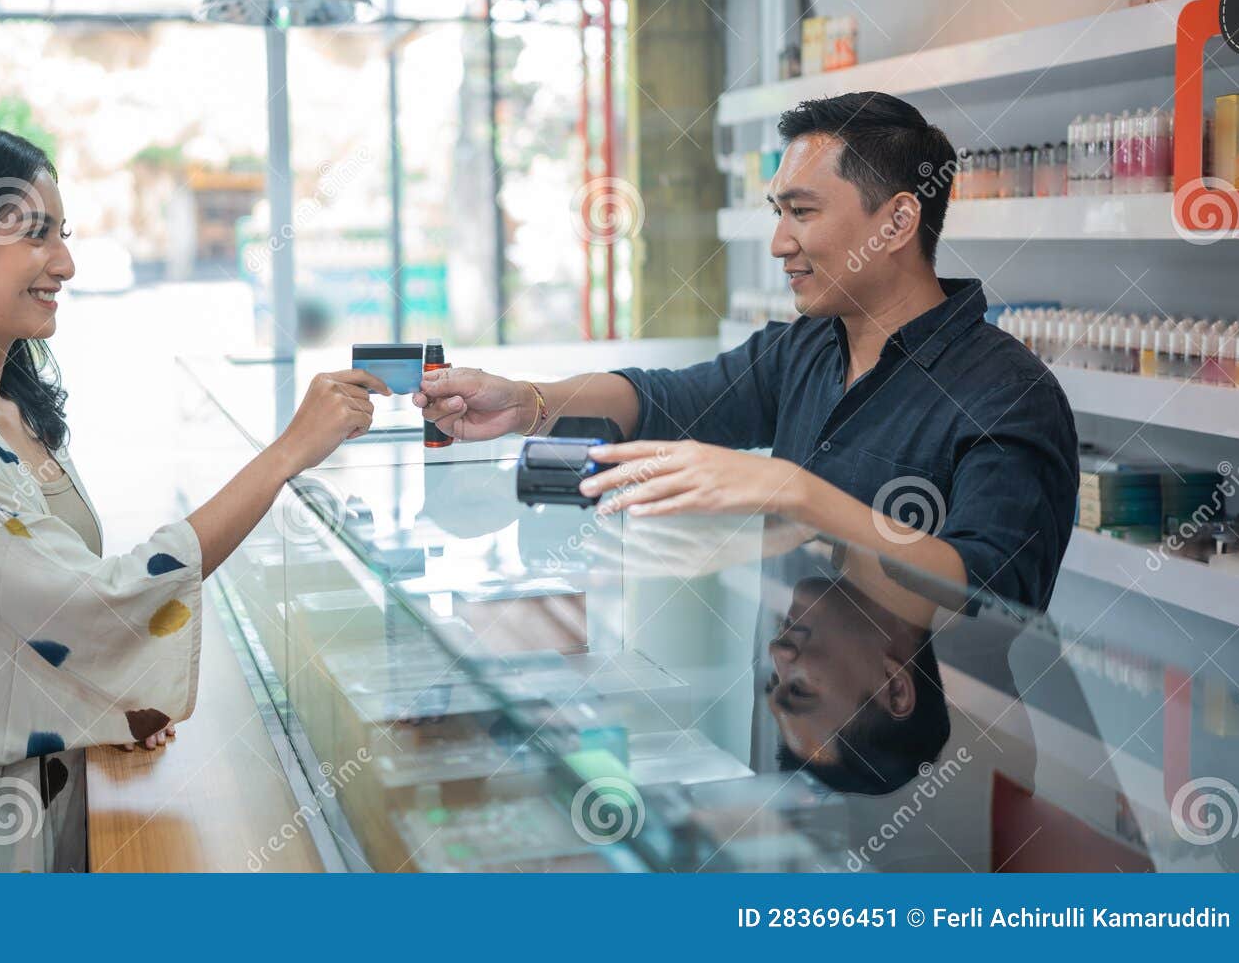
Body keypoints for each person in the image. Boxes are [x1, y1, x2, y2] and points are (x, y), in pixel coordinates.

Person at [0, 121, 389, 872]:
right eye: (35, 236)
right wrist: (285, 455)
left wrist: (102, 703)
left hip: (32, 814)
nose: (66, 262)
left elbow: (26, 618)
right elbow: (90, 603)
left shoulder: (11, 412)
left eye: (64, 233)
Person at [415, 92, 1079, 610]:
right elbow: (668, 401)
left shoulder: (1009, 395)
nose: (779, 243)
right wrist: (529, 402)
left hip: (939, 739)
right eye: (776, 213)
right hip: (805, 681)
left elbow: (994, 595)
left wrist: (798, 494)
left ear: (899, 220)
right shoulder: (808, 346)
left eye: (804, 212)